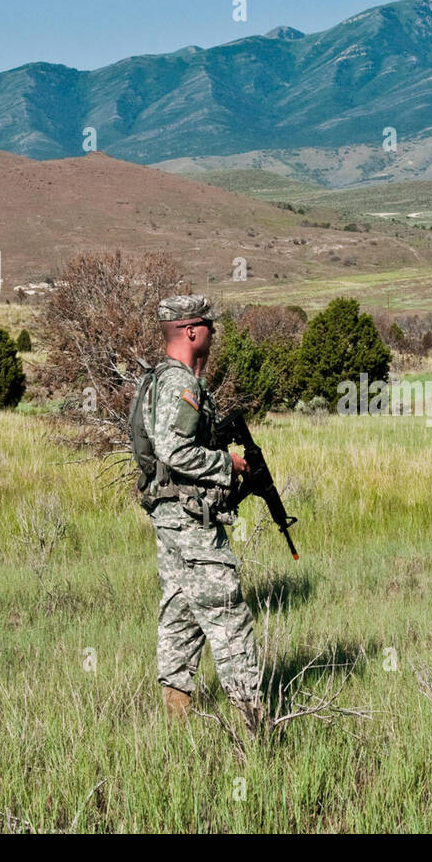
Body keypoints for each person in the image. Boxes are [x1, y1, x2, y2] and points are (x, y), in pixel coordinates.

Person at [144, 295, 264, 730]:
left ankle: (175, 725)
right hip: (190, 517)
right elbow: (174, 449)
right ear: (191, 331)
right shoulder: (181, 384)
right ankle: (254, 727)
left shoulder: (159, 379)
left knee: (180, 613)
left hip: (169, 515)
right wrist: (226, 465)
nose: (213, 332)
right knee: (227, 613)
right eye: (208, 325)